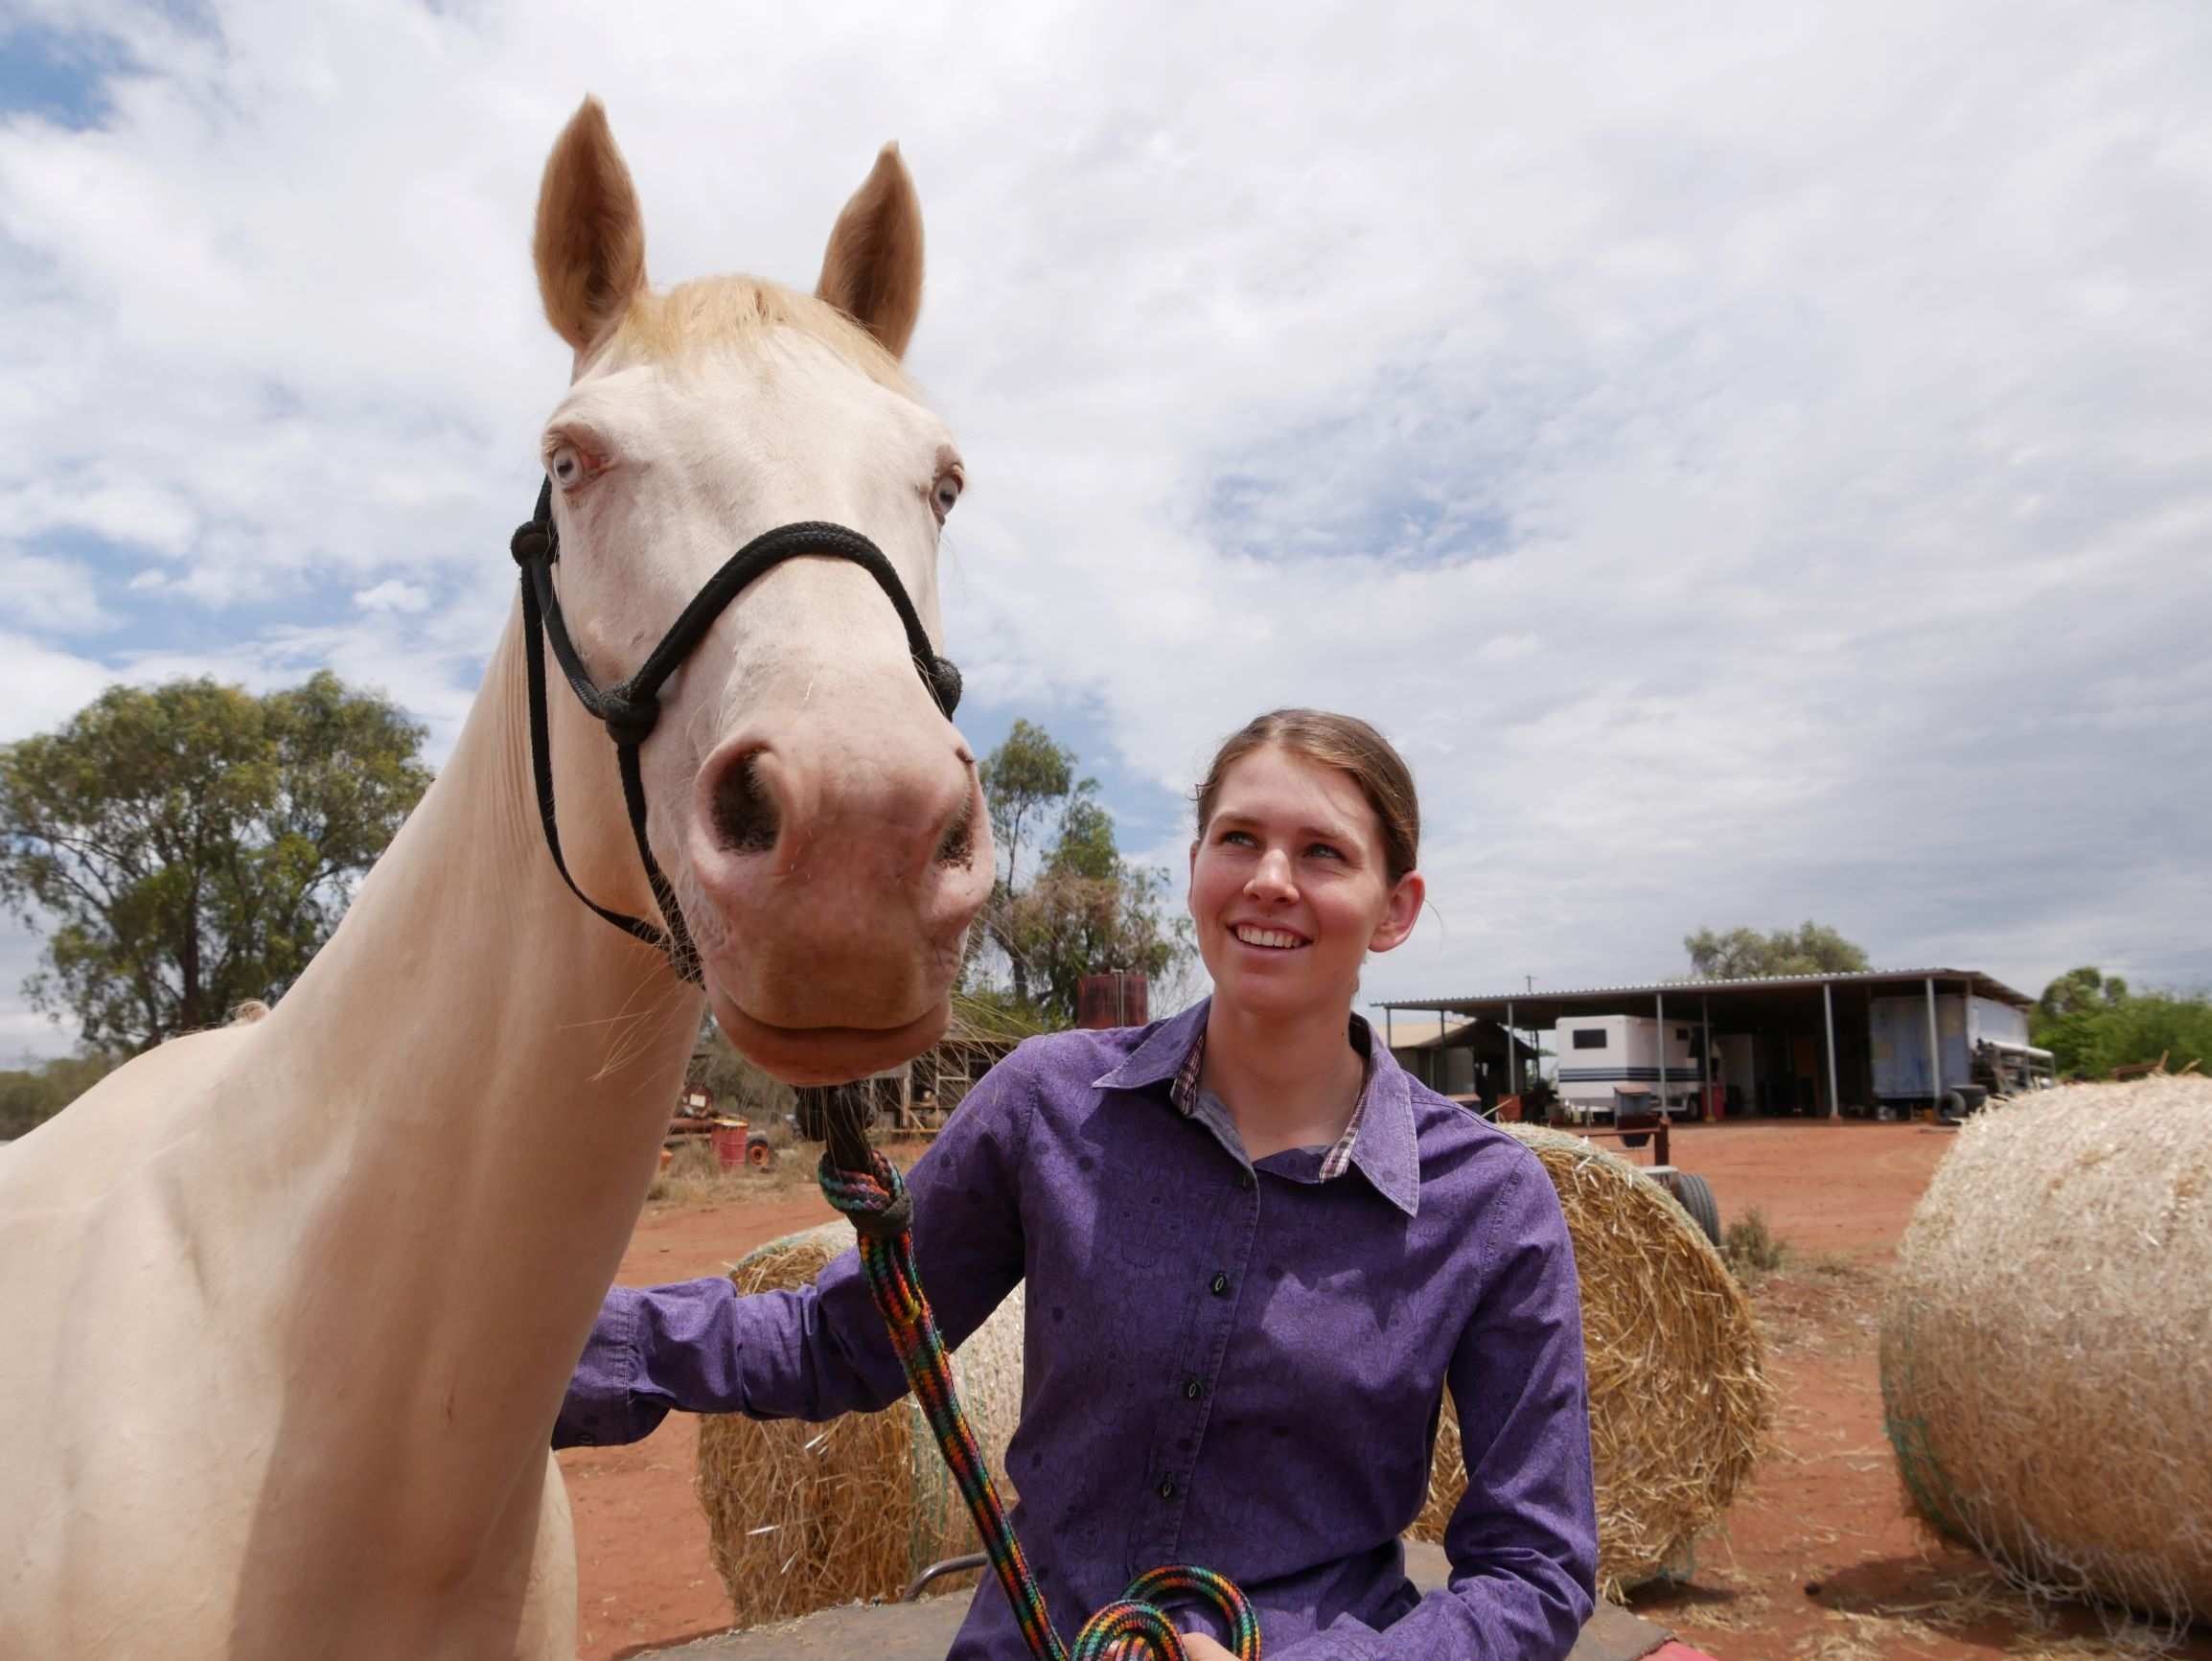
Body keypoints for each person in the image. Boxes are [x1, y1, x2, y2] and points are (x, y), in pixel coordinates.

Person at [556, 709, 1598, 1659]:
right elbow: (846, 1341)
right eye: (1239, 838)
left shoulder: (1488, 1201)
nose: (1271, 878)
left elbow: (1535, 1570)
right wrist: (539, 1348)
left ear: (1394, 907)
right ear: (1195, 867)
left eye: (1323, 852)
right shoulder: (1048, 1104)